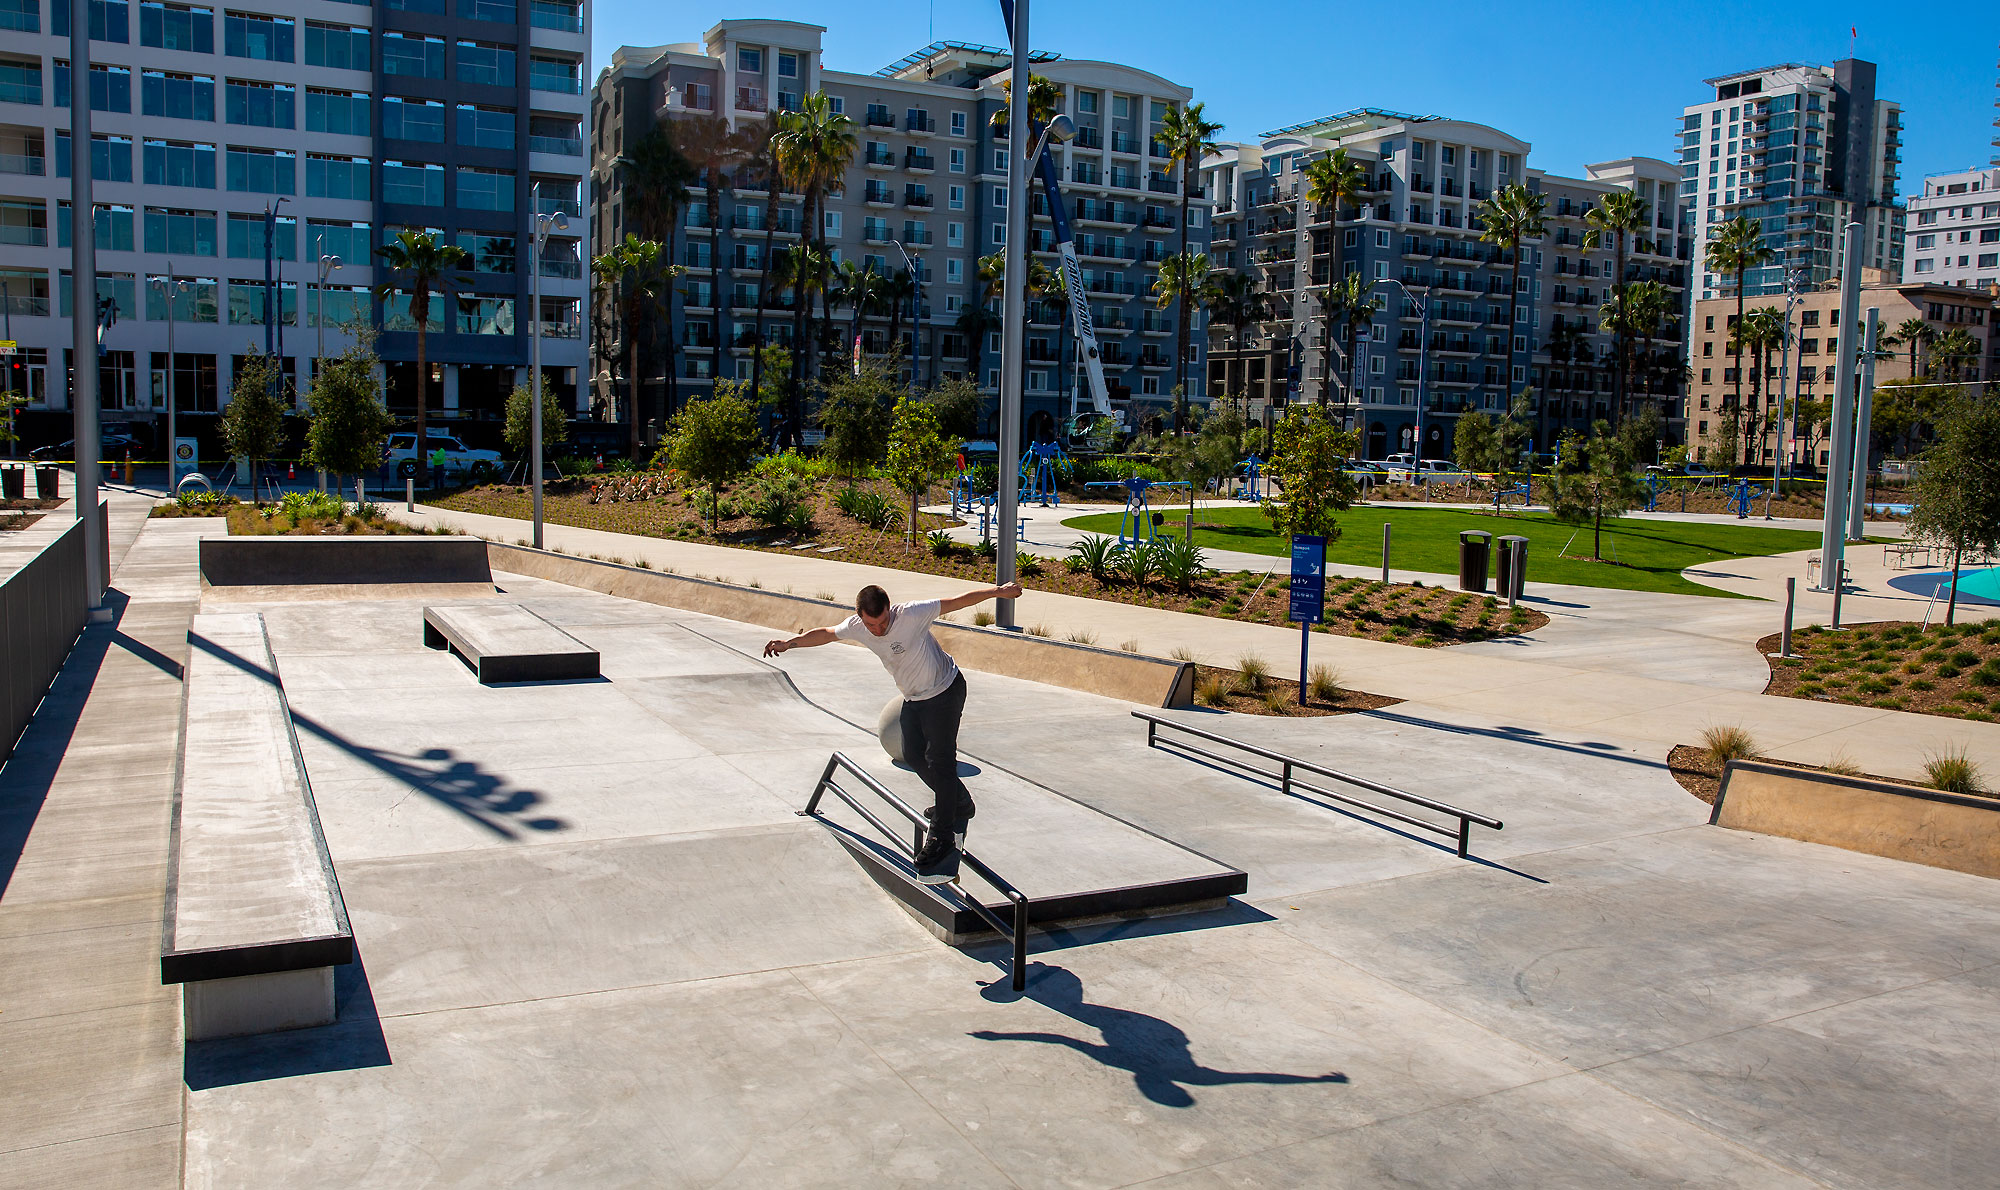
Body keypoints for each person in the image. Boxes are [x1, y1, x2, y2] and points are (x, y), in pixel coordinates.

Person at [765, 581, 1022, 884]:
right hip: (914, 698)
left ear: (890, 609)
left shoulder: (912, 613)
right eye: (872, 624)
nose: (878, 629)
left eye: (884, 621)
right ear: (860, 617)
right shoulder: (857, 626)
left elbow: (957, 601)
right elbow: (825, 633)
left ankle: (942, 837)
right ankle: (959, 801)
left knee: (940, 761)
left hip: (945, 691)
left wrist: (997, 593)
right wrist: (788, 643)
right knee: (913, 753)